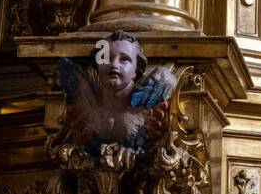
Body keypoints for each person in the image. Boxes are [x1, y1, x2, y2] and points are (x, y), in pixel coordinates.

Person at [57, 30, 176, 165]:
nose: (114, 65)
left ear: (136, 70)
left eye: (124, 59)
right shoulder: (88, 106)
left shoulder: (142, 112)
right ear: (97, 67)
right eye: (107, 58)